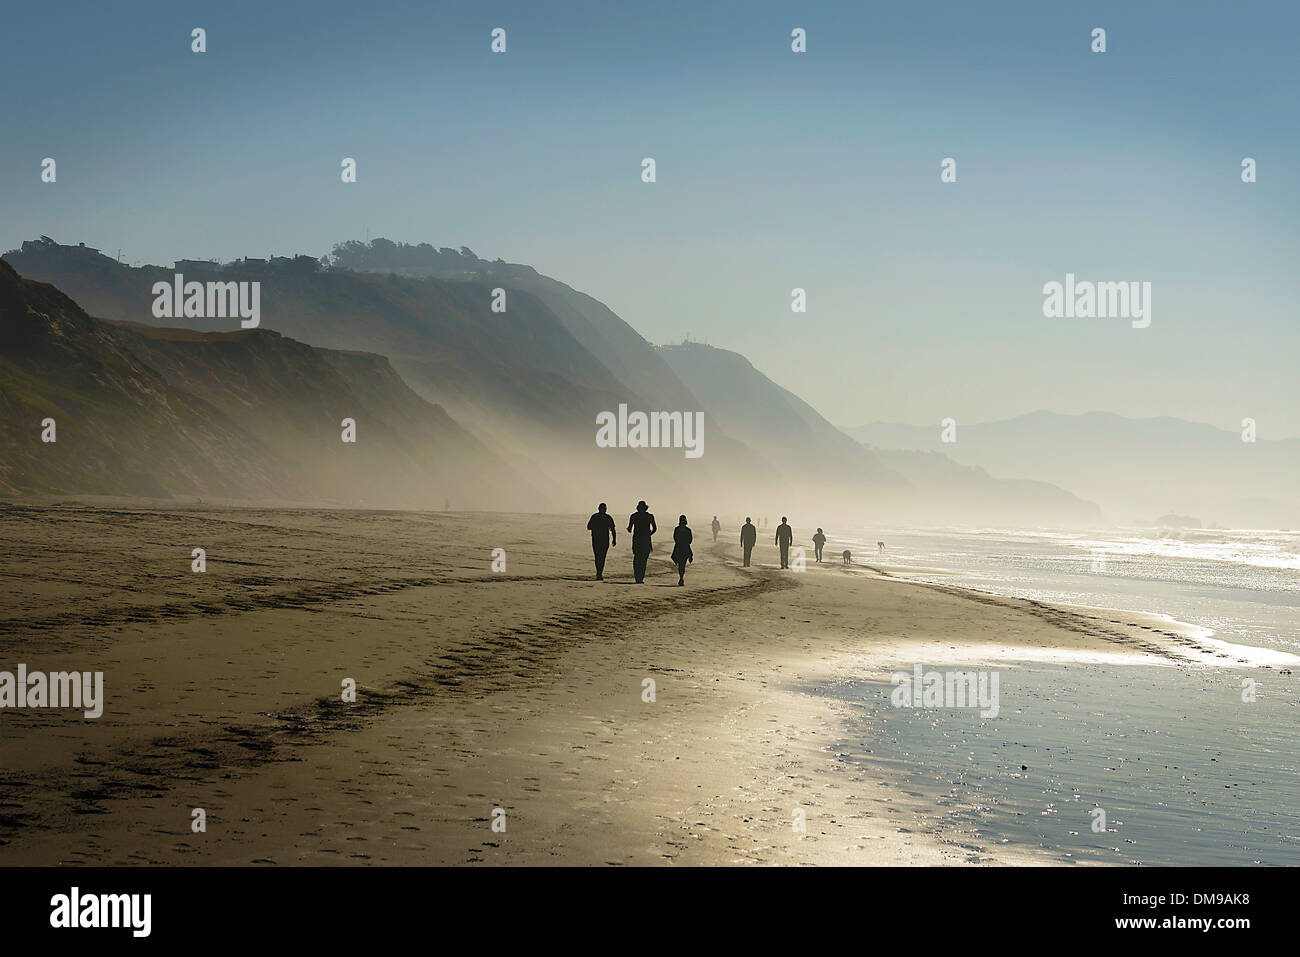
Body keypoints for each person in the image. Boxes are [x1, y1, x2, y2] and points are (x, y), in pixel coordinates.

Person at [627, 500, 657, 583]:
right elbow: (654, 529)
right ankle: (640, 578)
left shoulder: (634, 516)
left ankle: (638, 577)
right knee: (643, 560)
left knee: (637, 559)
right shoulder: (650, 516)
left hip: (637, 540)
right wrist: (648, 534)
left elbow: (629, 528)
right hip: (646, 540)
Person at [586, 503, 617, 580]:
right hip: (597, 539)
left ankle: (599, 572)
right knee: (598, 556)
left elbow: (613, 529)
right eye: (603, 508)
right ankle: (599, 572)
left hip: (604, 540)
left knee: (602, 557)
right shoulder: (595, 517)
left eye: (604, 508)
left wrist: (614, 539)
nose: (604, 509)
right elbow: (589, 527)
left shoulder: (608, 517)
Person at [671, 515, 693, 585]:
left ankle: (681, 577)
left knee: (681, 564)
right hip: (685, 548)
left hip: (679, 548)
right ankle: (681, 578)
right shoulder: (688, 530)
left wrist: (680, 542)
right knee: (682, 564)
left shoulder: (677, 529)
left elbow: (675, 538)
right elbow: (690, 540)